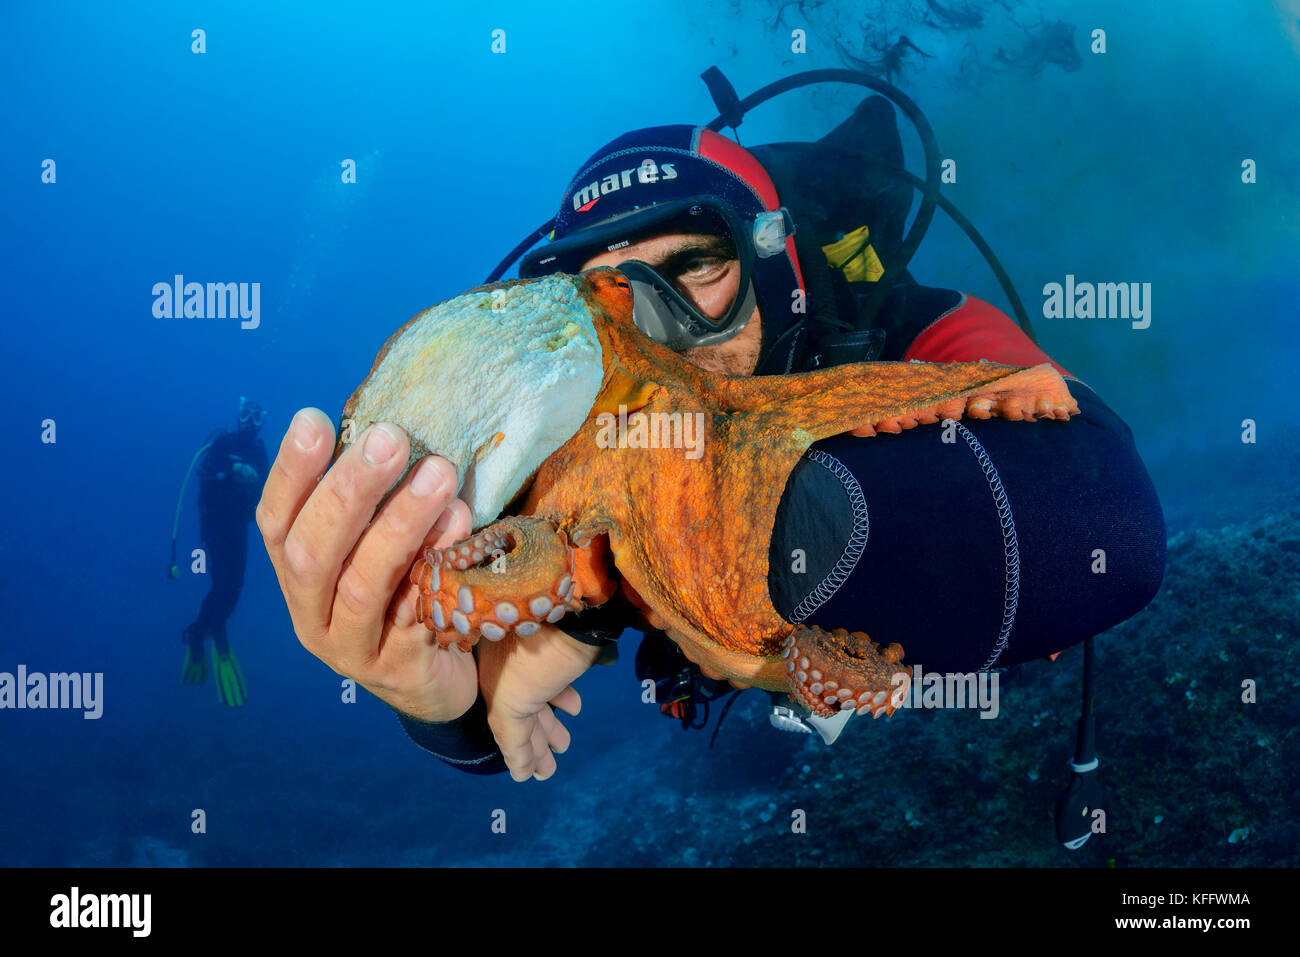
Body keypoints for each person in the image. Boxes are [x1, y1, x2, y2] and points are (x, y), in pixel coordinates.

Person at [256, 117, 1164, 781]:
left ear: (774, 266)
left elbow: (1111, 524)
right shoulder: (555, 428)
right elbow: (492, 666)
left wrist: (603, 598)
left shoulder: (904, 326)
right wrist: (444, 711)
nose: (654, 338)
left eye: (696, 268)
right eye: (599, 301)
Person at [182, 397, 269, 707]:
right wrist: (232, 468)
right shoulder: (222, 443)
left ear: (261, 422)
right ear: (238, 416)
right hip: (215, 528)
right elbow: (204, 472)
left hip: (239, 530)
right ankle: (211, 636)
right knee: (221, 585)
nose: (249, 421)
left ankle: (201, 631)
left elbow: (267, 491)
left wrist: (255, 477)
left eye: (256, 417)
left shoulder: (260, 453)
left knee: (234, 588)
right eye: (245, 414)